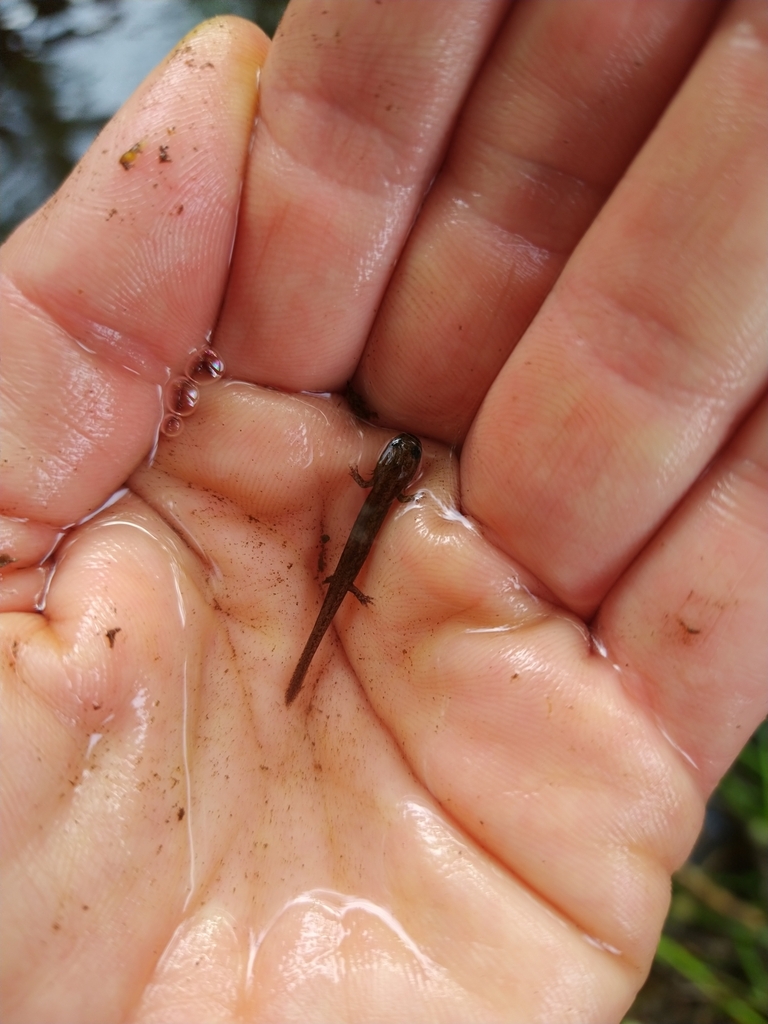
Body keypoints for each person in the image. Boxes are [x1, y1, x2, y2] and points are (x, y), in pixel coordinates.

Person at [0, 1, 765, 1020]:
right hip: (356, 555)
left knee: (337, 591)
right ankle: (317, 637)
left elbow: (378, 491)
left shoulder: (388, 489)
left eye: (398, 460)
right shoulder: (392, 487)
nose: (398, 459)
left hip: (359, 554)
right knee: (334, 592)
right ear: (404, 471)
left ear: (397, 472)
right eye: (401, 460)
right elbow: (381, 490)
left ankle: (320, 634)